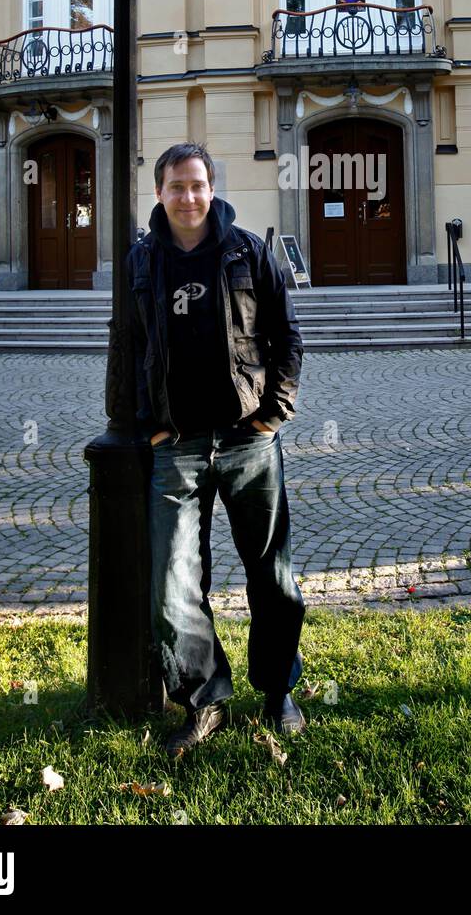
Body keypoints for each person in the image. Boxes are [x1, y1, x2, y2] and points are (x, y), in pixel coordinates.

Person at [126, 141, 307, 755]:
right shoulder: (141, 262)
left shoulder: (248, 250)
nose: (188, 196)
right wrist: (141, 424)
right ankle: (204, 700)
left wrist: (273, 414)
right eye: (176, 186)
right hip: (175, 446)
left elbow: (287, 334)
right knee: (174, 584)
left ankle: (278, 689)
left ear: (212, 187)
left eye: (197, 184)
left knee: (272, 575)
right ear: (159, 193)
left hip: (245, 439)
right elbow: (126, 348)